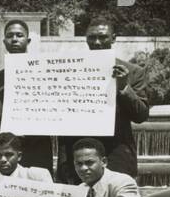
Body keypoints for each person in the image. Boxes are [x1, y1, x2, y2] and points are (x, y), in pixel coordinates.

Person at [54, 16, 150, 181]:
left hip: (116, 156)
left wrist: (123, 88)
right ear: (86, 39)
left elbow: (141, 115)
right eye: (92, 37)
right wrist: (64, 162)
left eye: (103, 37)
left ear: (113, 39)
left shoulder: (132, 72)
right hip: (79, 158)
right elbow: (62, 121)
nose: (97, 42)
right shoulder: (70, 71)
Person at [0, 20, 54, 176]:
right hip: (6, 152)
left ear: (28, 40)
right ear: (4, 42)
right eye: (10, 36)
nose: (14, 39)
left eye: (19, 35)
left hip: (36, 149)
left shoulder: (44, 72)